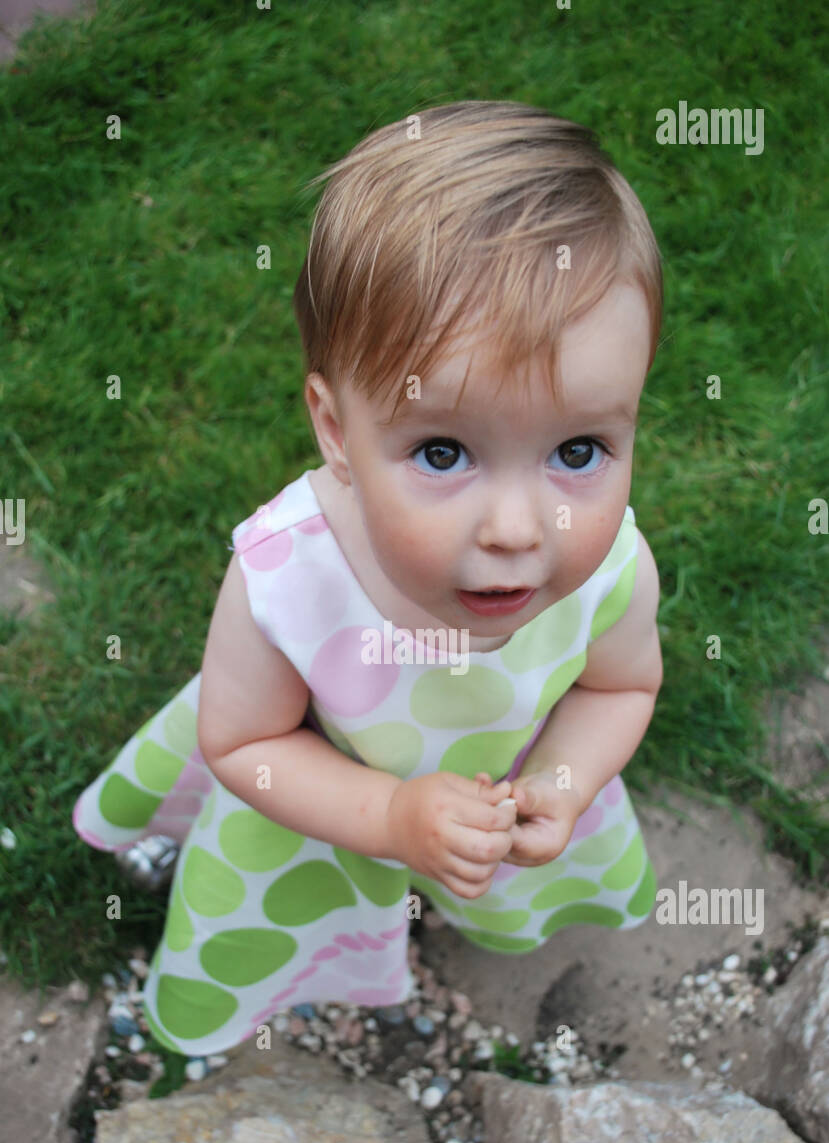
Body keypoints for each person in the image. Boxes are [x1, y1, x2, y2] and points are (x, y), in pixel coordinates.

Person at [72, 100, 664, 1059]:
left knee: (477, 862)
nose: (517, 530)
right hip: (321, 798)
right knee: (280, 909)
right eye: (441, 454)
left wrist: (562, 777)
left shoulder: (609, 567)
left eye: (579, 448)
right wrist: (390, 818)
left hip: (492, 779)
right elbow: (245, 742)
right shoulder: (289, 575)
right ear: (337, 433)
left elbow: (619, 683)